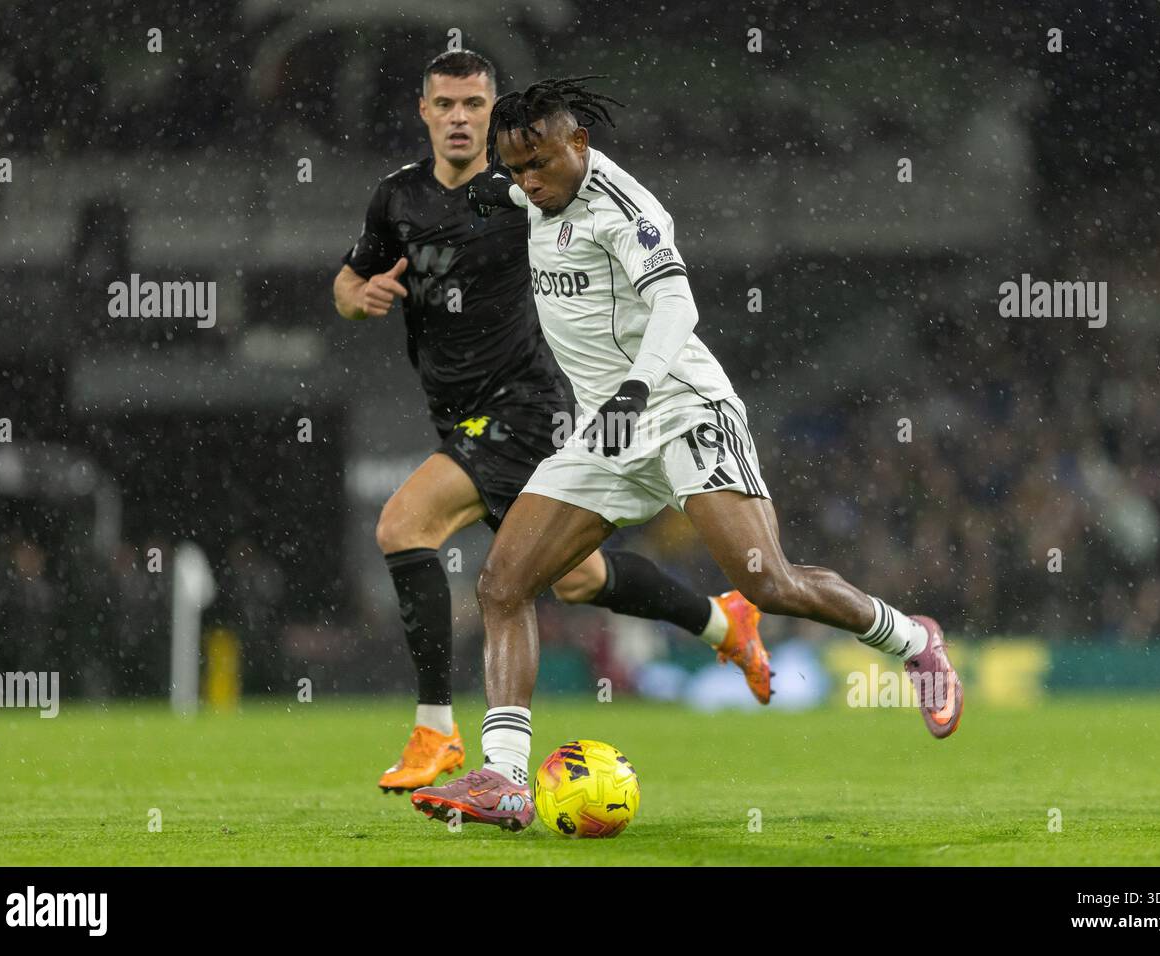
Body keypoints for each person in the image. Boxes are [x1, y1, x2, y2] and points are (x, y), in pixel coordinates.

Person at [411, 76, 963, 831]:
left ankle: (912, 640)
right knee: (504, 583)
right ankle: (505, 780)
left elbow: (677, 303)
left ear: (581, 145)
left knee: (767, 580)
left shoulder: (627, 210)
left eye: (537, 163)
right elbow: (519, 197)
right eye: (514, 168)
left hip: (676, 407)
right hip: (607, 430)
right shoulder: (535, 195)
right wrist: (494, 196)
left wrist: (637, 390)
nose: (527, 181)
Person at [332, 55, 773, 794]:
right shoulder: (397, 197)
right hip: (455, 413)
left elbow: (604, 208)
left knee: (404, 525)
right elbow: (348, 281)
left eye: (475, 102)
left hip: (526, 405)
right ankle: (725, 624)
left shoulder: (524, 190)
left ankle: (436, 731)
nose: (461, 116)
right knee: (577, 579)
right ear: (424, 110)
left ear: (495, 109)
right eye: (446, 103)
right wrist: (360, 296)